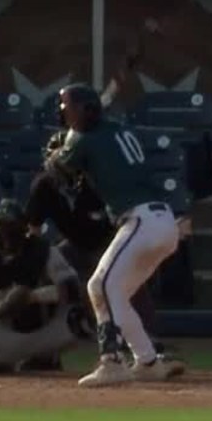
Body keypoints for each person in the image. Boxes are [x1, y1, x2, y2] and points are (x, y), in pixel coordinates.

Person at [45, 83, 186, 387]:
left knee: (100, 285)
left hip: (140, 221)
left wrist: (57, 153)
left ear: (84, 109)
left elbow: (60, 169)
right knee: (115, 294)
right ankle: (147, 360)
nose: (64, 113)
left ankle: (111, 362)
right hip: (162, 223)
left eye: (68, 107)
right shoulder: (116, 129)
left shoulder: (82, 137)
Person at [25, 129, 164, 351]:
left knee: (125, 280)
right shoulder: (43, 186)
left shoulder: (98, 181)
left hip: (108, 241)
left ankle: (145, 337)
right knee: (42, 272)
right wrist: (37, 261)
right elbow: (33, 230)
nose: (66, 164)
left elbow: (122, 215)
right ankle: (44, 344)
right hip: (73, 244)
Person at [0, 199, 93, 376]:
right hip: (10, 329)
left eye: (11, 229)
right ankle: (14, 360)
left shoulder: (44, 252)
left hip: (52, 326)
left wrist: (33, 296)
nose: (7, 236)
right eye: (3, 229)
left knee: (84, 317)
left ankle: (53, 355)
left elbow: (74, 290)